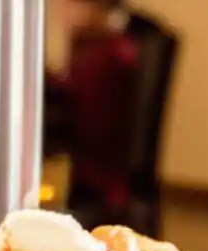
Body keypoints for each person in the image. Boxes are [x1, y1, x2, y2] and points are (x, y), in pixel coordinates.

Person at [50, 0, 139, 228]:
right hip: (97, 174)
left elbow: (89, 125)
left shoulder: (108, 56)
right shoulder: (102, 48)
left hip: (93, 180)